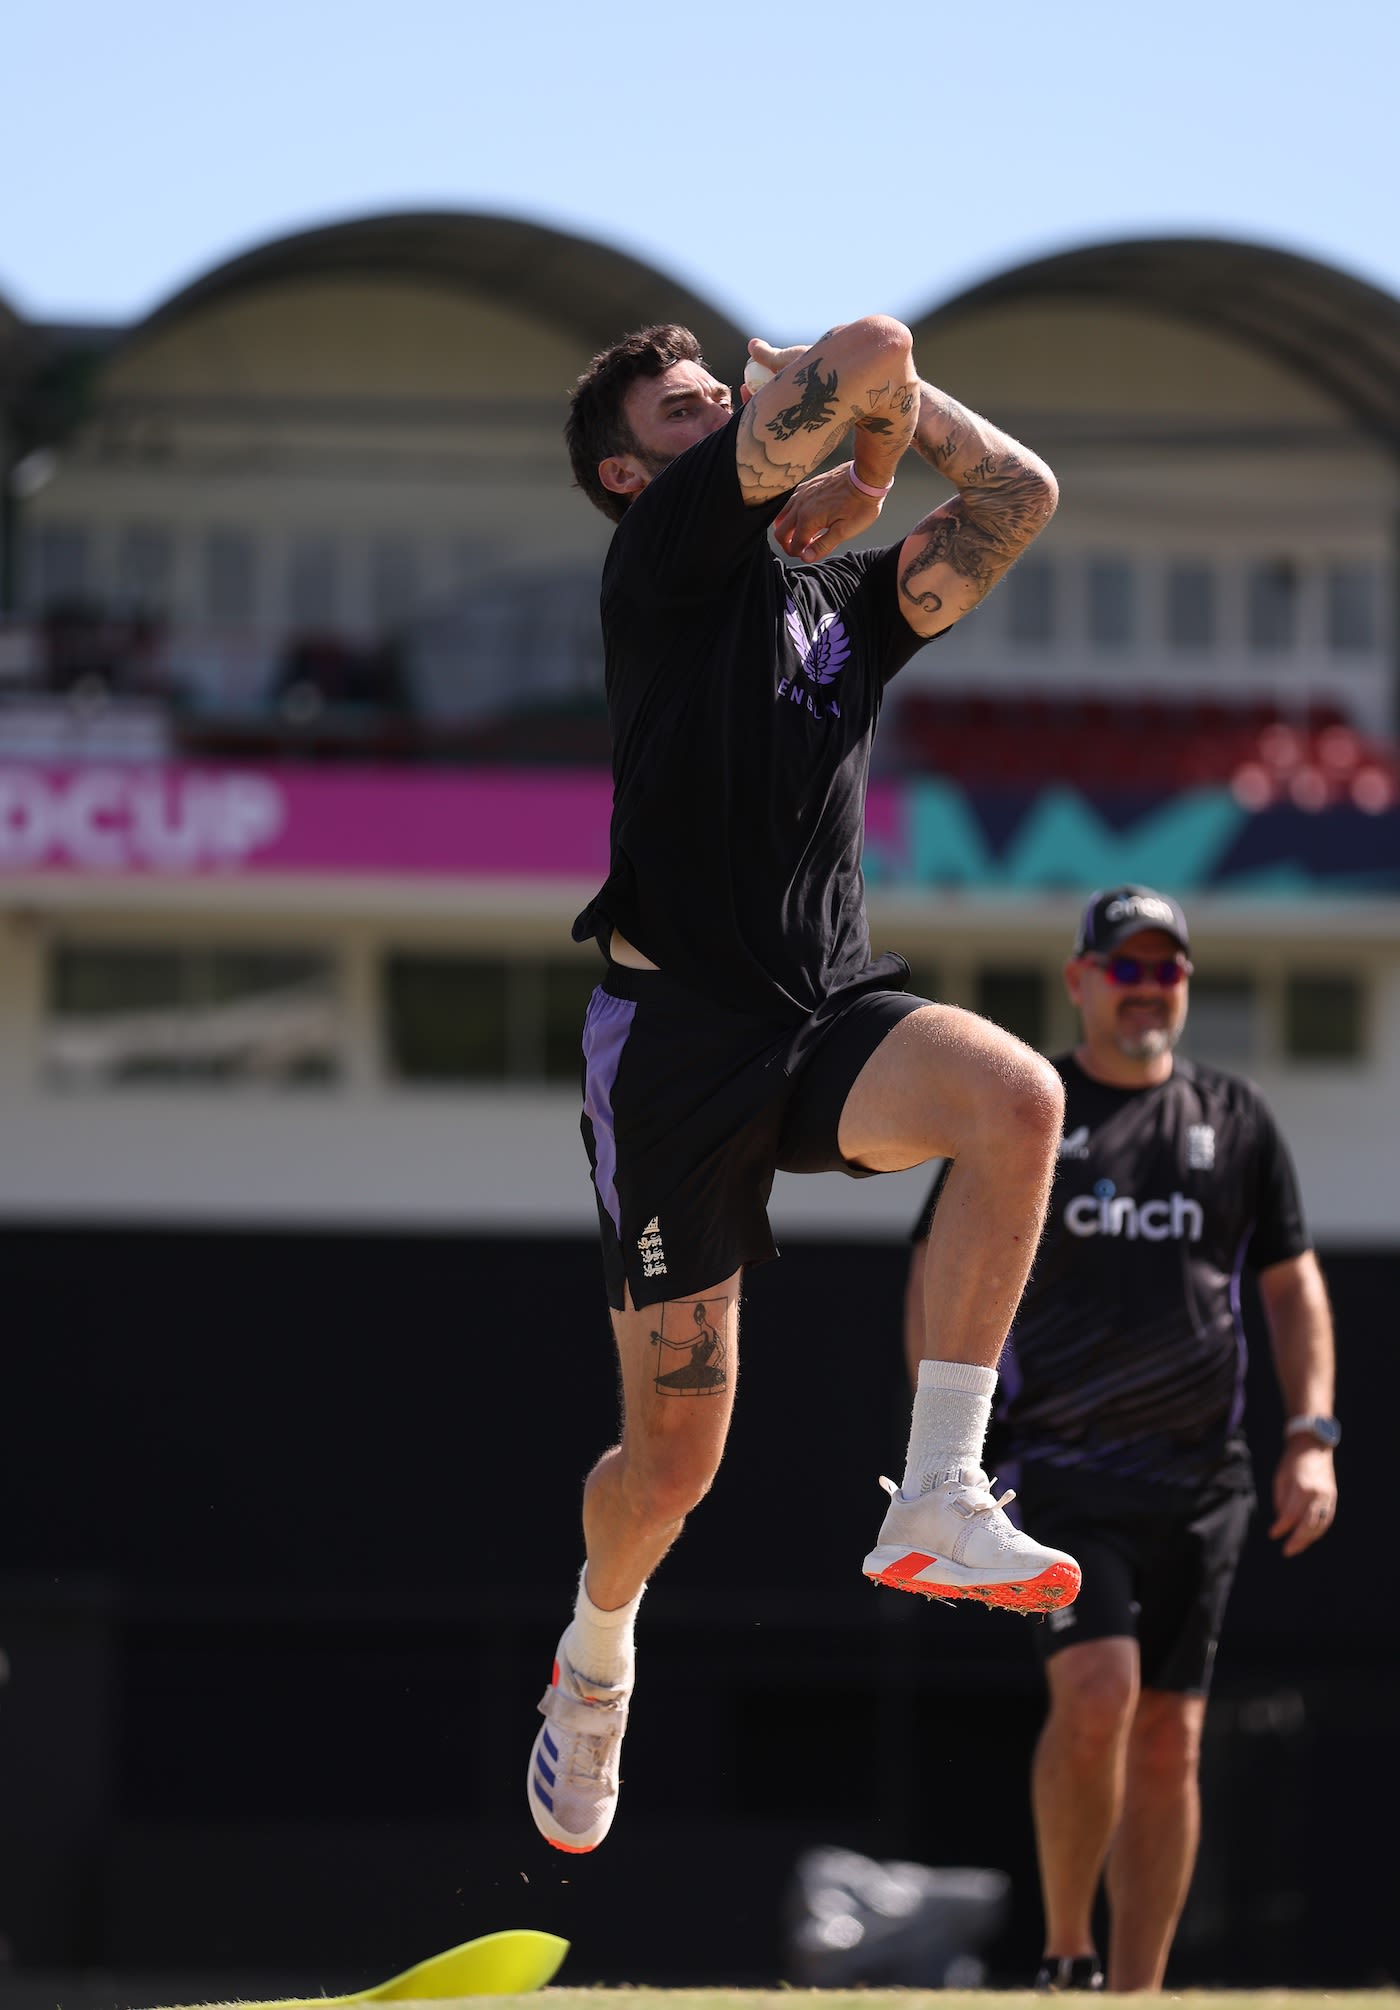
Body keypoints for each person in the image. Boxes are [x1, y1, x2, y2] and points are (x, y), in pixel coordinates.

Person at [528, 314, 1082, 1858]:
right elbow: (865, 348)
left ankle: (940, 1490)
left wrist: (893, 444)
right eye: (691, 402)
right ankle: (596, 1650)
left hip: (827, 1007)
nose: (729, 399)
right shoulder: (668, 556)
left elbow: (1022, 494)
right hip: (679, 1050)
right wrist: (867, 424)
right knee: (671, 1469)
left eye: (731, 385)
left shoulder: (834, 596)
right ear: (635, 471)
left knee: (1019, 1099)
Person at [904, 885, 1340, 1992]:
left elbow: (1291, 1291)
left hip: (1203, 1482)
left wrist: (1309, 1436)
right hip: (1058, 1472)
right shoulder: (1031, 1114)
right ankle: (1065, 1954)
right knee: (1095, 1694)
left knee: (1169, 1740)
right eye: (1124, 967)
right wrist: (937, 1450)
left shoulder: (1234, 1120)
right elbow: (935, 1272)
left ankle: (1136, 1991)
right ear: (1078, 980)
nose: (1147, 988)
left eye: (1166, 969)